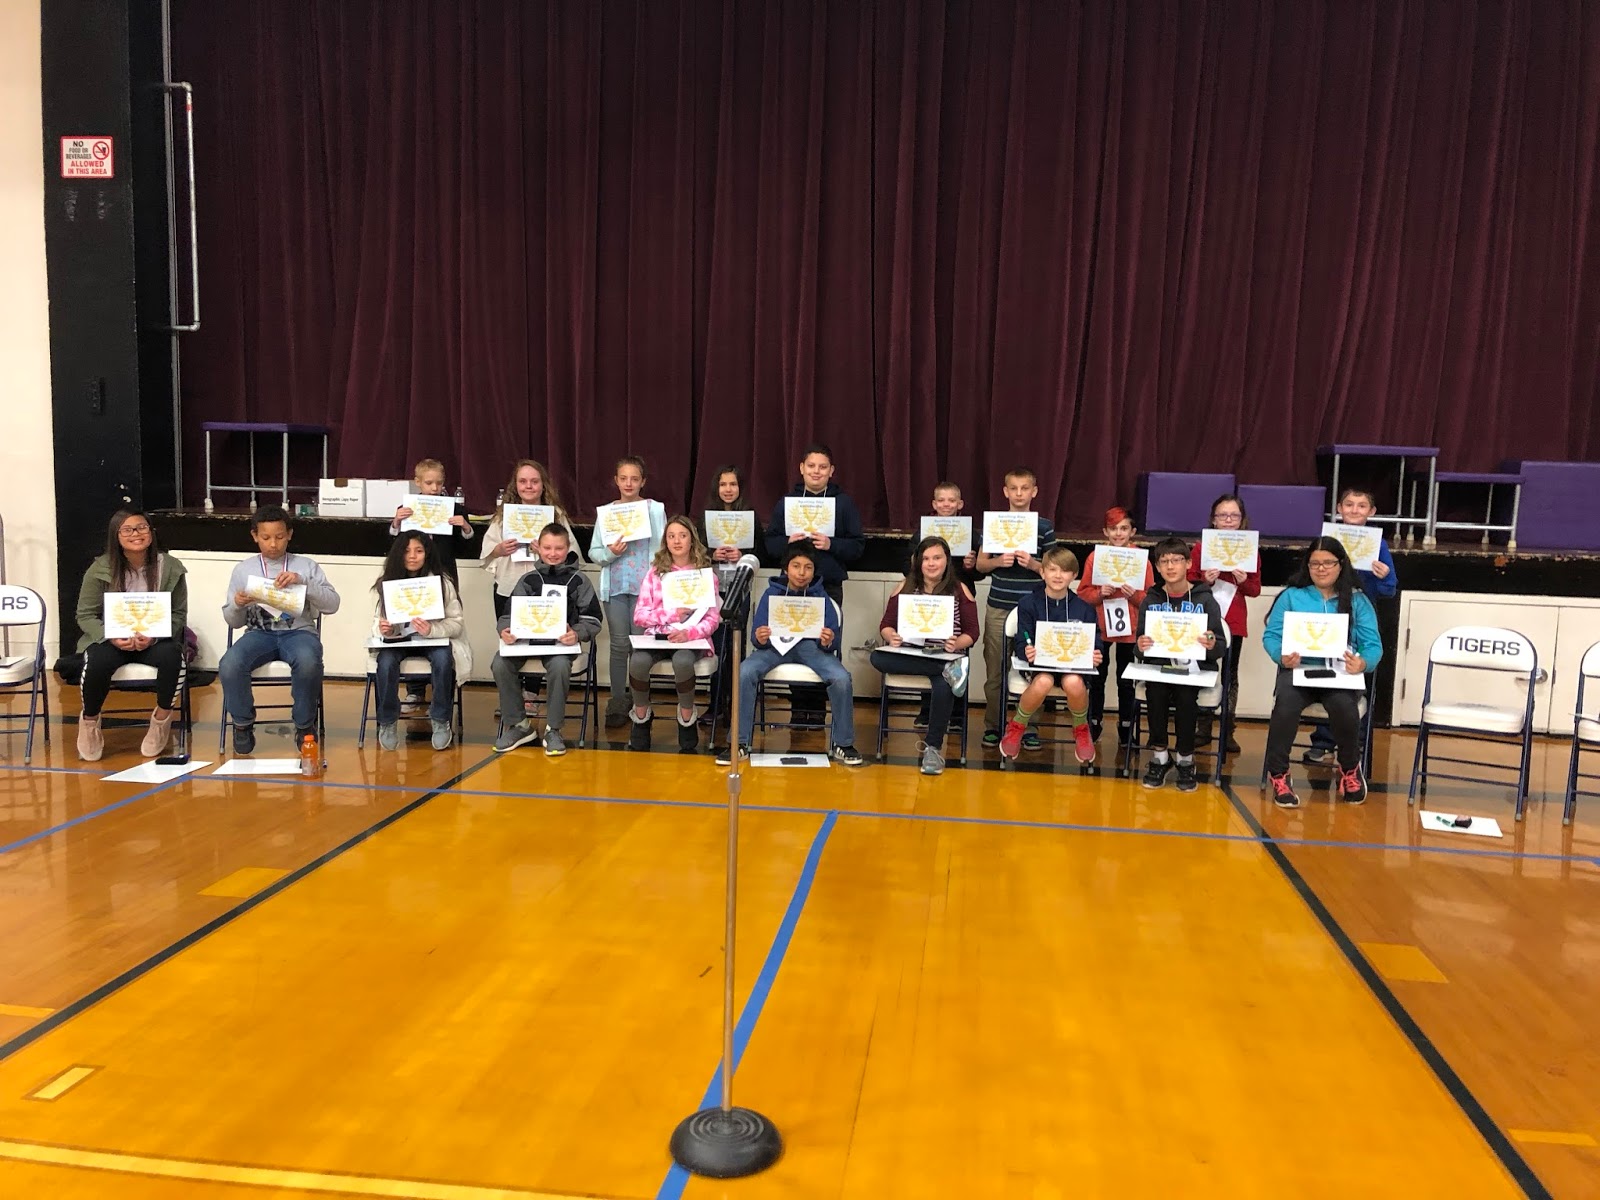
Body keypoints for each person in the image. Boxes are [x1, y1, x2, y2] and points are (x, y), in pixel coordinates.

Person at [1262, 538, 1383, 808]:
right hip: (1298, 670)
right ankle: (1279, 774)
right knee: (1285, 707)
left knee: (1344, 707)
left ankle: (1350, 769)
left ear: (1341, 565)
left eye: (1328, 563)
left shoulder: (1358, 600)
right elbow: (1271, 635)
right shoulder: (1292, 596)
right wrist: (1280, 655)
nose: (1321, 569)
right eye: (1315, 563)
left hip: (1339, 673)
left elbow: (1373, 645)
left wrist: (1362, 664)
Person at [720, 543, 864, 767]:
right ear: (786, 569)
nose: (801, 572)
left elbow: (832, 639)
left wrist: (827, 640)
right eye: (796, 566)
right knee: (745, 671)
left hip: (811, 649)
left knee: (841, 678)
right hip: (774, 649)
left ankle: (843, 744)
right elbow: (756, 638)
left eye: (808, 567)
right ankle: (738, 743)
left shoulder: (822, 597)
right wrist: (760, 636)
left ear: (814, 571)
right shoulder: (771, 594)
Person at [217, 504, 341, 754]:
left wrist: (303, 582)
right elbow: (233, 622)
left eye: (279, 537)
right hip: (258, 634)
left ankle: (305, 724)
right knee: (230, 663)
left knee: (308, 661)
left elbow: (333, 605)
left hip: (299, 633)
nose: (273, 544)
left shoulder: (306, 566)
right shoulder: (243, 570)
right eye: (265, 538)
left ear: (290, 534)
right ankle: (242, 724)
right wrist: (237, 605)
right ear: (254, 536)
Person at [73, 509, 189, 762]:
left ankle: (160, 721)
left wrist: (155, 635)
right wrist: (109, 636)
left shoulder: (170, 567)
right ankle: (90, 722)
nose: (136, 534)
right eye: (128, 529)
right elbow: (85, 615)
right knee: (96, 662)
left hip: (153, 639)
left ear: (151, 532)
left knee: (173, 657)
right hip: (112, 639)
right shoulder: (100, 568)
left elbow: (179, 615)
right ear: (116, 536)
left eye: (142, 527)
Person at [764, 443, 866, 727]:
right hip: (790, 587)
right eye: (811, 466)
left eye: (823, 467)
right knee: (792, 641)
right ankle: (799, 710)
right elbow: (770, 542)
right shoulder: (787, 502)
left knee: (821, 645)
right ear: (802, 469)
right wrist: (787, 542)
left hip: (828, 585)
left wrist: (831, 543)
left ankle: (818, 711)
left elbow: (858, 547)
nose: (817, 471)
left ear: (831, 471)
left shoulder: (843, 503)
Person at [870, 536, 980, 776]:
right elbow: (885, 624)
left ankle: (933, 749)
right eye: (926, 559)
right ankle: (949, 671)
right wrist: (892, 637)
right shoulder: (904, 586)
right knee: (877, 658)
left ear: (947, 561)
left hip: (946, 654)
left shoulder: (960, 589)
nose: (931, 563)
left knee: (944, 685)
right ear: (918, 562)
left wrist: (957, 643)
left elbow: (973, 631)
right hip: (912, 652)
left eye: (937, 558)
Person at [492, 524, 604, 757]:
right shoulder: (528, 579)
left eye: (559, 548)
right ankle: (520, 726)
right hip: (526, 643)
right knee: (500, 663)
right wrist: (505, 630)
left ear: (567, 548)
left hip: (561, 645)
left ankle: (554, 729)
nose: (553, 553)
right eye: (547, 548)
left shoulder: (579, 580)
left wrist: (576, 633)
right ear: (538, 549)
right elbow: (506, 616)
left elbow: (593, 620)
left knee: (561, 666)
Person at [1305, 488, 1397, 764]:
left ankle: (1355, 744)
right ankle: (1322, 742)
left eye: (1361, 505)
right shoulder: (1326, 542)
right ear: (1339, 509)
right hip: (1328, 617)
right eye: (1349, 504)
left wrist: (1384, 575)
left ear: (1372, 512)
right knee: (1325, 674)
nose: (1355, 510)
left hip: (1360, 621)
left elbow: (1389, 590)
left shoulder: (1379, 545)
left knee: (1357, 681)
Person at [1134, 538, 1227, 792]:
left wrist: (1210, 643)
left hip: (1193, 670)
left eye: (1176, 560)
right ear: (1157, 567)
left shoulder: (1205, 600)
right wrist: (1140, 644)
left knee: (1186, 696)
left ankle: (1186, 758)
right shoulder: (1151, 599)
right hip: (1159, 667)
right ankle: (1160, 757)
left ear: (1188, 563)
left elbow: (1219, 643)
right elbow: (1138, 645)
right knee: (1156, 692)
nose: (1170, 566)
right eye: (1164, 562)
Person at [1000, 546, 1104, 765]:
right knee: (1043, 682)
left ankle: (1081, 730)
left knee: (1075, 683)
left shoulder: (1085, 608)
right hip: (1040, 665)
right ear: (1042, 573)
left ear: (1074, 576)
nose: (1058, 576)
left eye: (1065, 571)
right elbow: (1021, 639)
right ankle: (1017, 727)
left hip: (1072, 666)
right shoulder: (1028, 604)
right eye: (1053, 570)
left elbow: (1094, 638)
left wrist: (1096, 653)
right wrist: (1026, 650)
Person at [626, 516, 722, 753]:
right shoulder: (655, 574)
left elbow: (712, 619)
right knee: (637, 661)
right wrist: (672, 615)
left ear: (692, 540)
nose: (677, 541)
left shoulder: (706, 575)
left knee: (682, 661)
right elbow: (640, 615)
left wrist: (689, 633)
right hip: (659, 637)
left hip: (692, 639)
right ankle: (641, 717)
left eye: (682, 535)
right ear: (665, 541)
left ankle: (686, 717)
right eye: (671, 536)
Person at [976, 467, 1056, 748]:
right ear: (1005, 492)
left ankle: (1028, 726)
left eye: (1025, 488)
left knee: (1031, 668)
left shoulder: (1044, 527)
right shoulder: (994, 524)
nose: (1019, 494)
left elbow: (1054, 569)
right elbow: (980, 565)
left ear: (1034, 492)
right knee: (995, 670)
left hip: (1033, 609)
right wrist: (999, 562)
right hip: (999, 604)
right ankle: (994, 726)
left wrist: (1033, 564)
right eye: (1014, 488)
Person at [370, 531, 471, 752]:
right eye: (407, 551)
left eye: (419, 551)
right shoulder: (388, 582)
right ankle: (387, 721)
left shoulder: (442, 583)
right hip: (400, 642)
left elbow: (457, 624)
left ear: (428, 554)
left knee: (443, 660)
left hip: (433, 640)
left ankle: (440, 719)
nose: (413, 556)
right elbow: (378, 622)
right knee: (385, 663)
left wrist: (432, 629)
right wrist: (385, 629)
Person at [588, 455, 668, 729]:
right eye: (624, 478)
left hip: (645, 589)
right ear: (616, 481)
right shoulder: (607, 512)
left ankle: (640, 702)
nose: (629, 483)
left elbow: (664, 547)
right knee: (619, 645)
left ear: (643, 481)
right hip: (617, 587)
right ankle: (618, 701)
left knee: (639, 647)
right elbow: (594, 553)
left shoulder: (654, 509)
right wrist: (610, 554)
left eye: (634, 478)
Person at [1188, 493, 1260, 753]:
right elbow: (1189, 581)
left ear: (1242, 521)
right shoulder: (1200, 548)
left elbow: (1254, 590)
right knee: (1204, 668)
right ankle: (1202, 726)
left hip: (1234, 619)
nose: (1228, 520)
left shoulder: (1250, 549)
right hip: (1204, 616)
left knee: (1231, 674)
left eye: (1234, 516)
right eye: (1222, 515)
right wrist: (1204, 579)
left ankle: (1228, 730)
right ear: (1213, 520)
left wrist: (1242, 580)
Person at [1078, 506, 1153, 745]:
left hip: (1130, 630)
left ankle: (1126, 726)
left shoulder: (1143, 560)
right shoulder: (1094, 557)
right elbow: (1082, 594)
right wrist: (1100, 593)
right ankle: (1095, 721)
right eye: (1113, 529)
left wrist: (1135, 596)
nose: (1118, 534)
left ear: (1132, 531)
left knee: (1126, 679)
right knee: (1097, 676)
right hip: (1101, 626)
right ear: (1105, 532)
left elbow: (1151, 600)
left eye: (1123, 529)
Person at [699, 464, 762, 741]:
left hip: (740, 590)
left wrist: (742, 552)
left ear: (740, 488)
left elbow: (764, 552)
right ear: (716, 488)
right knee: (715, 648)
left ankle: (737, 703)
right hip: (711, 592)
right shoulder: (704, 519)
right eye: (723, 484)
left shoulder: (751, 517)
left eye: (733, 484)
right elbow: (695, 553)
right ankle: (715, 704)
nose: (728, 489)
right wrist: (712, 554)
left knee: (737, 648)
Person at [480, 459, 578, 620]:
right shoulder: (504, 516)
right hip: (509, 585)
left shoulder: (556, 515)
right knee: (510, 637)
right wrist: (500, 550)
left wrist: (547, 552)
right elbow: (488, 551)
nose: (529, 486)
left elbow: (571, 553)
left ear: (543, 485)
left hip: (547, 586)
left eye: (534, 481)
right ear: (515, 485)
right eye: (523, 481)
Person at [388, 458, 475, 585]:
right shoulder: (406, 509)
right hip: (412, 574)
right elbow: (395, 547)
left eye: (439, 483)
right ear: (418, 482)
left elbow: (465, 549)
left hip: (444, 570)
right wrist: (396, 523)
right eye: (429, 483)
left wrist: (466, 529)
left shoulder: (456, 510)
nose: (434, 488)